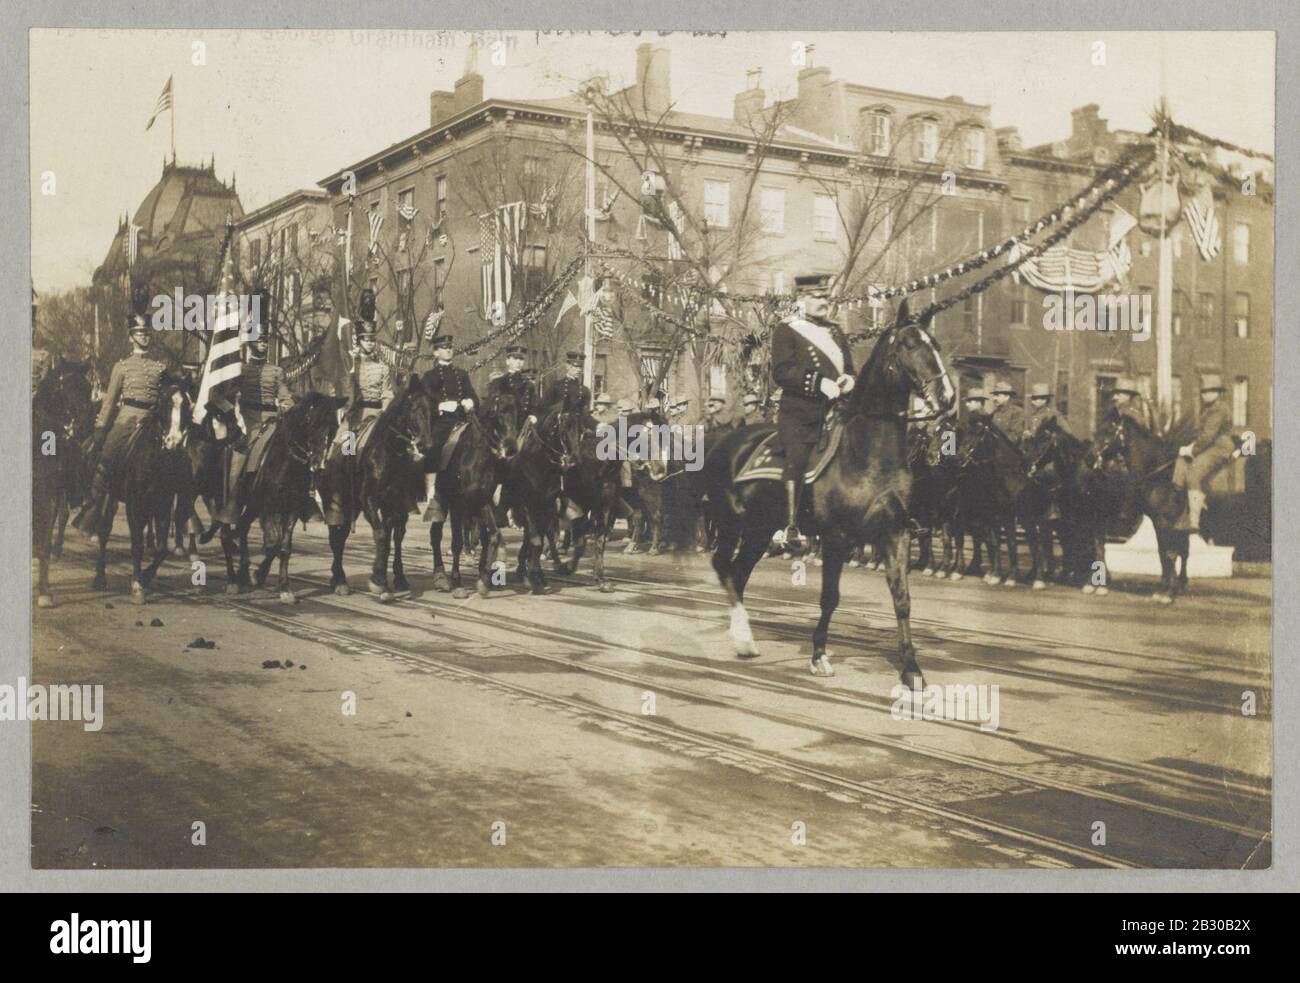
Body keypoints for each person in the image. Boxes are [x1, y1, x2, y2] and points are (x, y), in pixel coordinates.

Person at [770, 272, 854, 554]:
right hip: (801, 413)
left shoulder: (835, 332)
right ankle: (791, 525)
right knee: (798, 457)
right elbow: (782, 372)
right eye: (817, 297)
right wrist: (820, 383)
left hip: (838, 410)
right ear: (801, 299)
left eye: (825, 297)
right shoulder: (787, 329)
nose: (823, 302)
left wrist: (848, 380)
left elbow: (850, 368)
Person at [74, 314, 171, 534]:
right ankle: (94, 510)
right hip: (127, 418)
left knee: (177, 462)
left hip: (153, 421)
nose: (144, 336)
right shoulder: (122, 367)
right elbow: (109, 402)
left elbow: (170, 394)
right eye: (139, 333)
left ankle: (185, 513)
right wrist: (100, 429)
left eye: (146, 332)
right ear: (131, 337)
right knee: (106, 457)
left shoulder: (159, 368)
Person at [216, 292, 295, 524]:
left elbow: (285, 397)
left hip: (272, 420)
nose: (263, 343)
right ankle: (234, 500)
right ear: (250, 342)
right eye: (259, 340)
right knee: (241, 457)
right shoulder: (240, 370)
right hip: (248, 420)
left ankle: (300, 496)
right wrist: (232, 415)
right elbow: (226, 395)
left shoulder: (276, 371)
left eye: (265, 340)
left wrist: (287, 407)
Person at [420, 330, 478, 518]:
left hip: (462, 420)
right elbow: (424, 402)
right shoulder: (429, 376)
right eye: (443, 348)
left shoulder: (462, 374)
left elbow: (473, 396)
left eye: (450, 348)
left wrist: (471, 403)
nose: (448, 351)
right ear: (435, 352)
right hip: (442, 422)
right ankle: (432, 492)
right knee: (435, 448)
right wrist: (440, 405)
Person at [1175, 373, 1234, 533]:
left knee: (1194, 473)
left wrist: (1191, 449)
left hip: (1219, 447)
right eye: (1204, 392)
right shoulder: (1208, 408)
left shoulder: (1219, 409)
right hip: (1209, 445)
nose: (1205, 394)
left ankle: (1193, 521)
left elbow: (1208, 435)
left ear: (1218, 393)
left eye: (1210, 391)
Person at [485, 344, 538, 427]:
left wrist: (534, 415)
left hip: (524, 426)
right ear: (507, 361)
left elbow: (534, 405)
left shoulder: (529, 385)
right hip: (503, 427)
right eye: (515, 358)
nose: (519, 362)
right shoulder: (499, 382)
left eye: (521, 359)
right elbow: (490, 406)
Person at [542, 351, 592, 415]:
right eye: (575, 366)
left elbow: (585, 413)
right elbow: (544, 406)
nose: (579, 369)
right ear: (567, 366)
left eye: (580, 367)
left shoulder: (585, 390)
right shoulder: (556, 386)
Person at [989, 378, 1024, 444]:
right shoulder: (994, 413)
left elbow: (1015, 436)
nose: (994, 398)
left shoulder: (1017, 412)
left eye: (997, 395)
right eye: (994, 395)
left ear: (1007, 396)